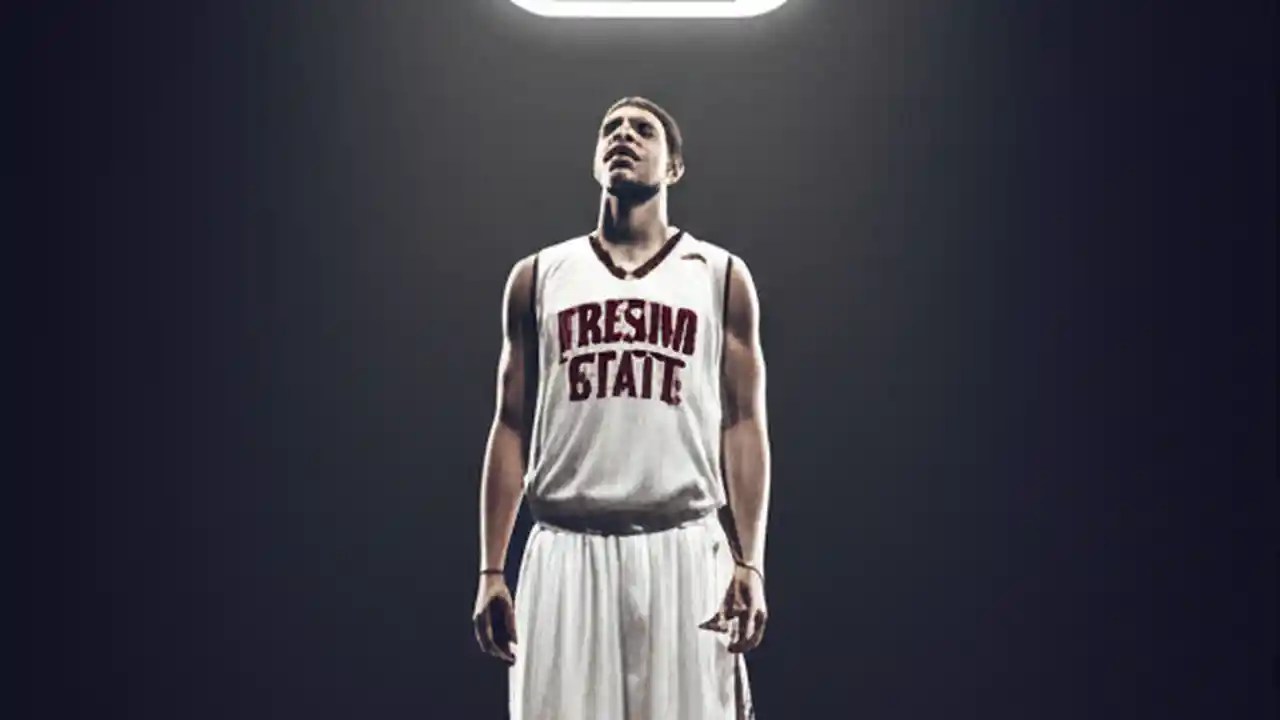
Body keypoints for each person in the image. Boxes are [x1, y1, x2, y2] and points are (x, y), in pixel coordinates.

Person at [471, 96, 772, 720]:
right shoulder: (537, 276)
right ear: (594, 160)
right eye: (611, 128)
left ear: (675, 167)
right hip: (567, 545)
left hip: (684, 545)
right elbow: (509, 424)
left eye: (643, 129)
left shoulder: (720, 275)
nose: (624, 136)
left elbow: (743, 423)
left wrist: (751, 561)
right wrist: (491, 569)